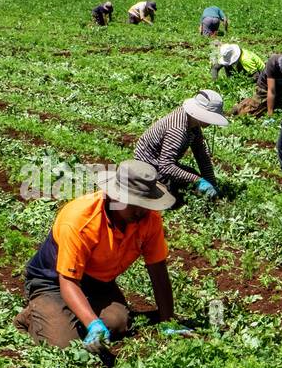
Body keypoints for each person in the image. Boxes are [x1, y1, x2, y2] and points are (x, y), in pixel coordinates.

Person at [14, 161, 181, 349]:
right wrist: (93, 324)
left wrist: (168, 322)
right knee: (64, 345)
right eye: (133, 203)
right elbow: (68, 281)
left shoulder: (148, 219)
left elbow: (158, 270)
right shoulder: (80, 219)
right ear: (114, 196)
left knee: (118, 323)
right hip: (52, 281)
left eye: (145, 203)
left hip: (97, 283)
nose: (140, 211)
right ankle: (33, 315)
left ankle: (70, 315)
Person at [134, 90, 226, 204]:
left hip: (160, 165)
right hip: (148, 170)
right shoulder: (177, 130)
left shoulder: (192, 123)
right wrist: (198, 180)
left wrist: (212, 183)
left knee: (191, 177)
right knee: (175, 199)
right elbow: (166, 167)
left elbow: (201, 154)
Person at [230, 53, 282, 117]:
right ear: (280, 68)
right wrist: (270, 114)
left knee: (280, 108)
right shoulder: (273, 62)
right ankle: (235, 110)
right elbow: (271, 91)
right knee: (255, 109)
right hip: (265, 86)